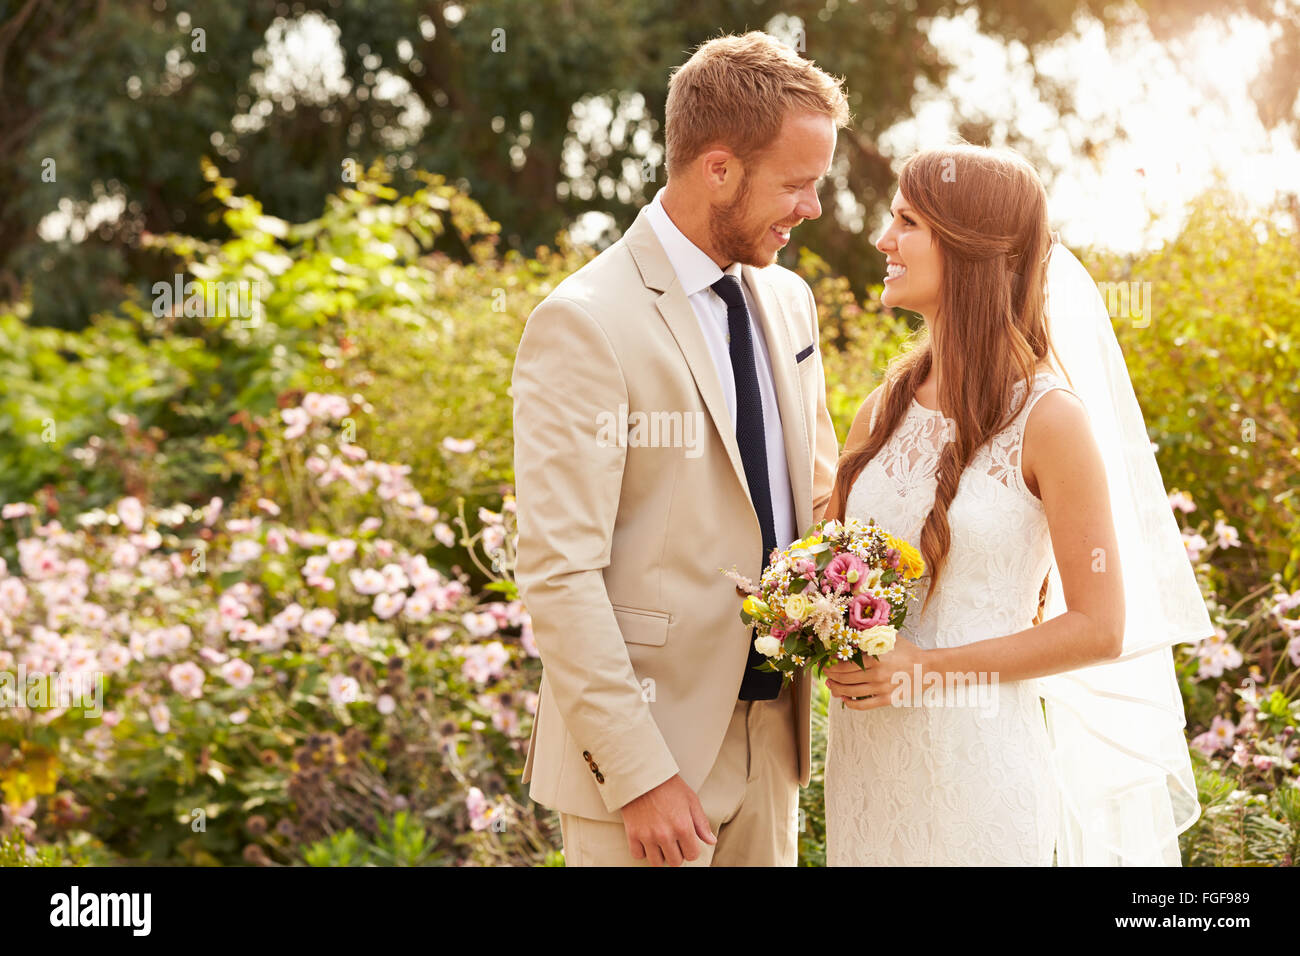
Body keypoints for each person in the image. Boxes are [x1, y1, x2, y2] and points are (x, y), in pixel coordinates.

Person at [821, 143, 1211, 866]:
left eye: (906, 221)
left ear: (969, 250)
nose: (883, 240)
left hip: (977, 770)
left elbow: (1098, 626)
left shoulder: (1051, 419)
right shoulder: (883, 409)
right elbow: (842, 572)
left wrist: (926, 671)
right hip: (868, 768)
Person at [510, 31, 847, 866]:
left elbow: (816, 489)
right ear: (719, 169)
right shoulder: (584, 321)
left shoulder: (791, 301)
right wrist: (637, 774)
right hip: (647, 770)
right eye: (797, 185)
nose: (812, 209)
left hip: (775, 745)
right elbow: (558, 570)